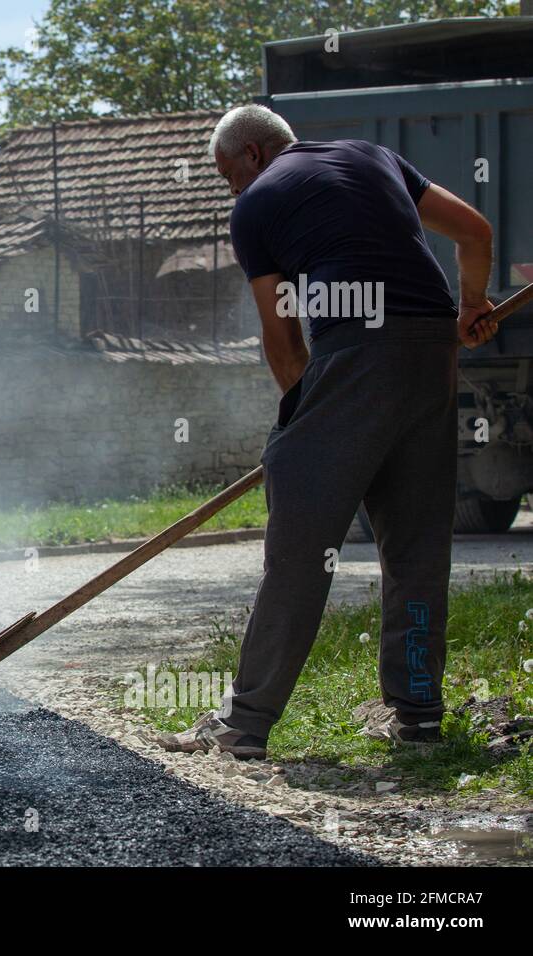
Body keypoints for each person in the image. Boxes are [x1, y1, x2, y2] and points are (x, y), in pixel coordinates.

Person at [158, 105, 497, 759]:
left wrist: (311, 430)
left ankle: (244, 725)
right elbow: (475, 234)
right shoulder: (376, 158)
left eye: (230, 175)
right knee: (418, 545)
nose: (233, 189)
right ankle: (417, 714)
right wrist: (474, 304)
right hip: (432, 352)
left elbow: (283, 342)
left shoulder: (255, 206)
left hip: (357, 351)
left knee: (301, 543)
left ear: (253, 156)